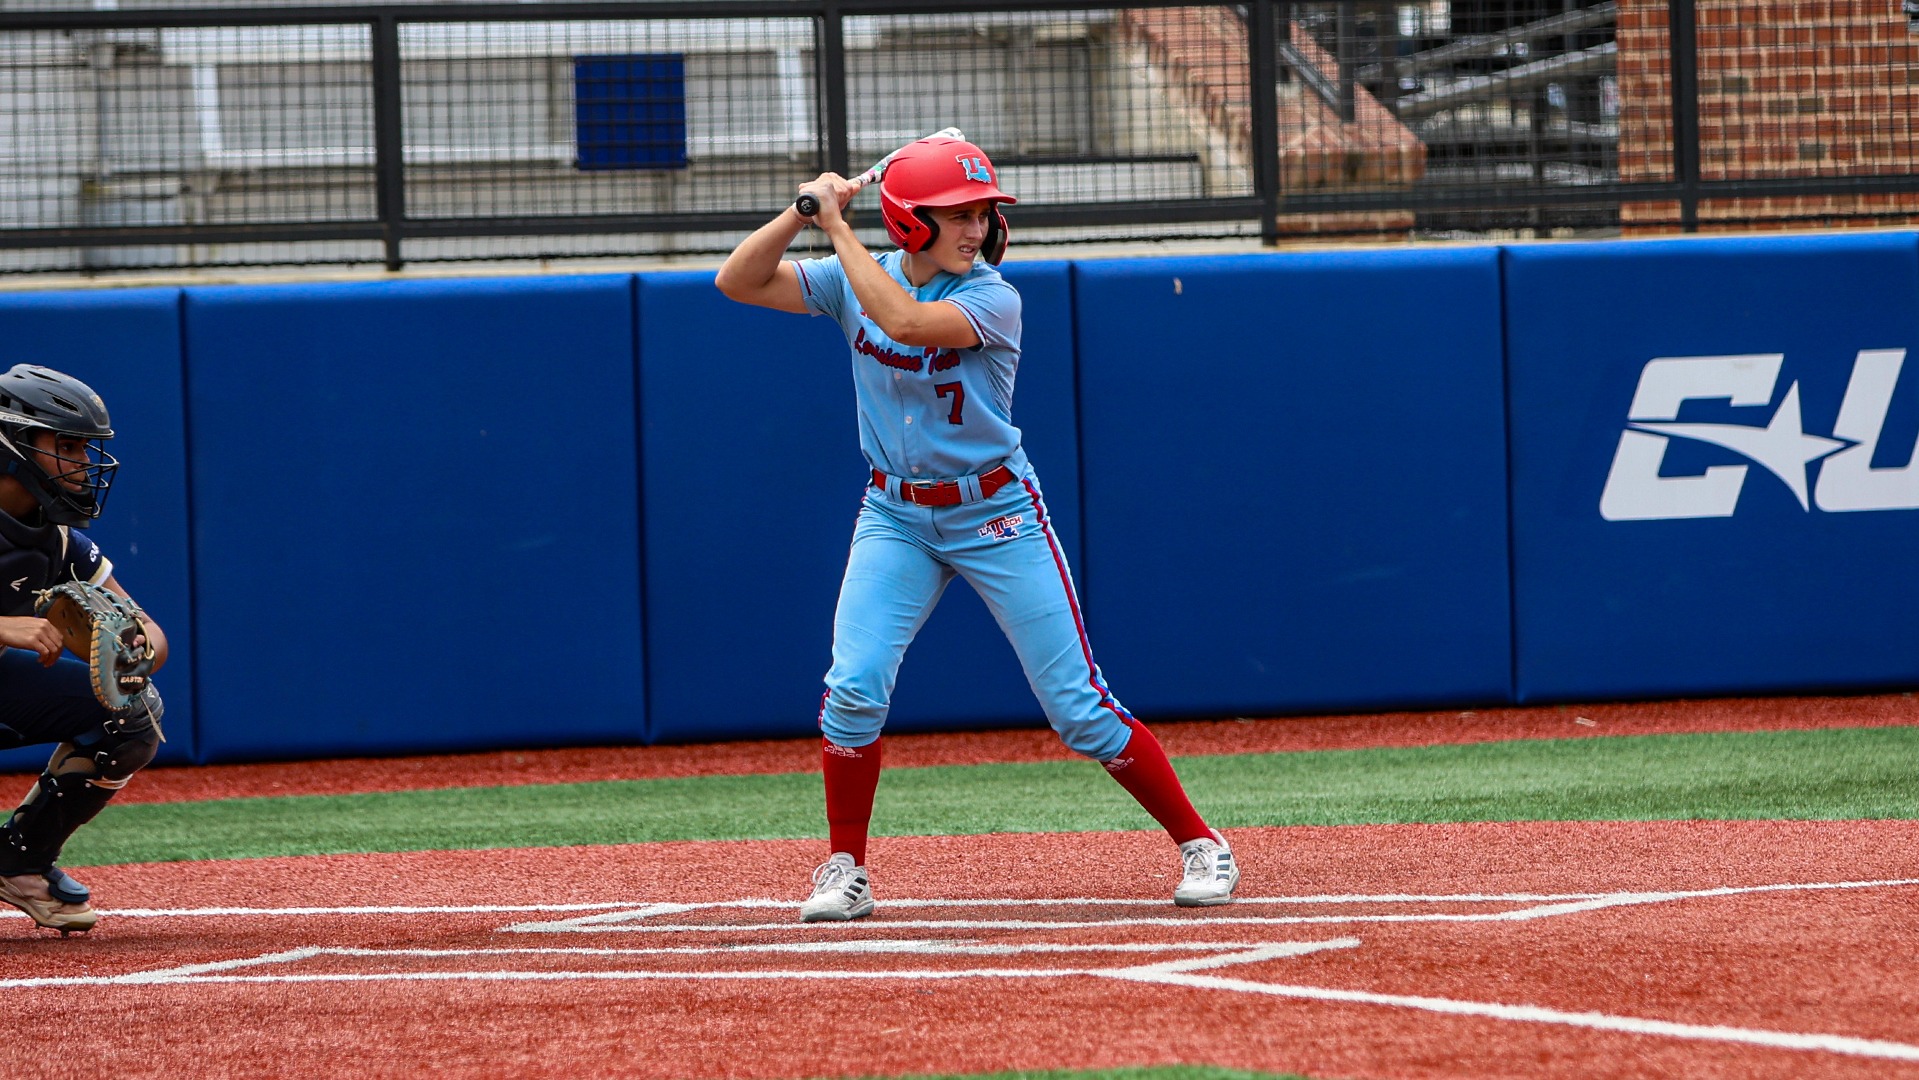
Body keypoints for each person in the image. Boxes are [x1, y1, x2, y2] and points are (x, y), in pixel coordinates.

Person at [714, 136, 1239, 922]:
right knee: (852, 687)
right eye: (956, 213)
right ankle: (845, 867)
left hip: (995, 513)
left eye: (981, 211)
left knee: (1077, 706)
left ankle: (1202, 843)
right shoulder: (852, 276)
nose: (977, 226)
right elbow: (737, 279)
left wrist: (838, 229)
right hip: (894, 514)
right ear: (909, 222)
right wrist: (801, 211)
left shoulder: (992, 297)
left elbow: (906, 320)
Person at [0, 364, 167, 934]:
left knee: (135, 713)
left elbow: (149, 631)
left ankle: (20, 861)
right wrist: (4, 627)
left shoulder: (59, 536)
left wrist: (132, 651)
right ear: (14, 442)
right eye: (66, 445)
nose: (82, 462)